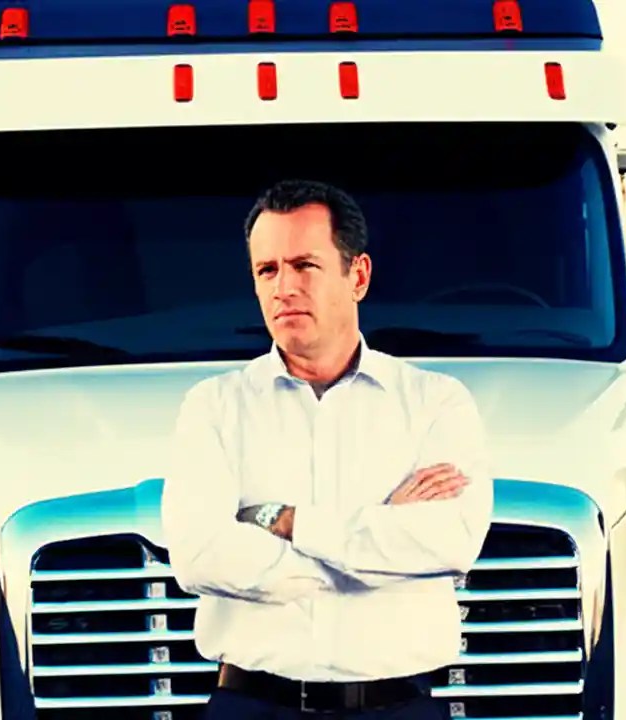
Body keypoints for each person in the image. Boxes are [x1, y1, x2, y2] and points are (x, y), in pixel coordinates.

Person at [161, 179, 493, 719]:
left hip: (397, 708)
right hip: (252, 705)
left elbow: (452, 541)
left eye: (304, 265)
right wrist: (374, 540)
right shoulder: (214, 407)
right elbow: (198, 555)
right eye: (266, 270)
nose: (283, 287)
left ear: (356, 275)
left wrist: (290, 523)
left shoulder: (436, 403)